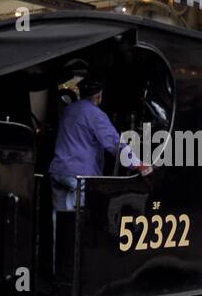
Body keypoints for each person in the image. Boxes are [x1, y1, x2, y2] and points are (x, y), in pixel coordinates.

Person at [49, 79, 151, 212]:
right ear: (98, 97)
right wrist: (137, 164)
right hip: (79, 176)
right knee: (79, 220)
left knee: (61, 220)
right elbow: (114, 143)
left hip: (59, 171)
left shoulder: (69, 110)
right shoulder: (95, 114)